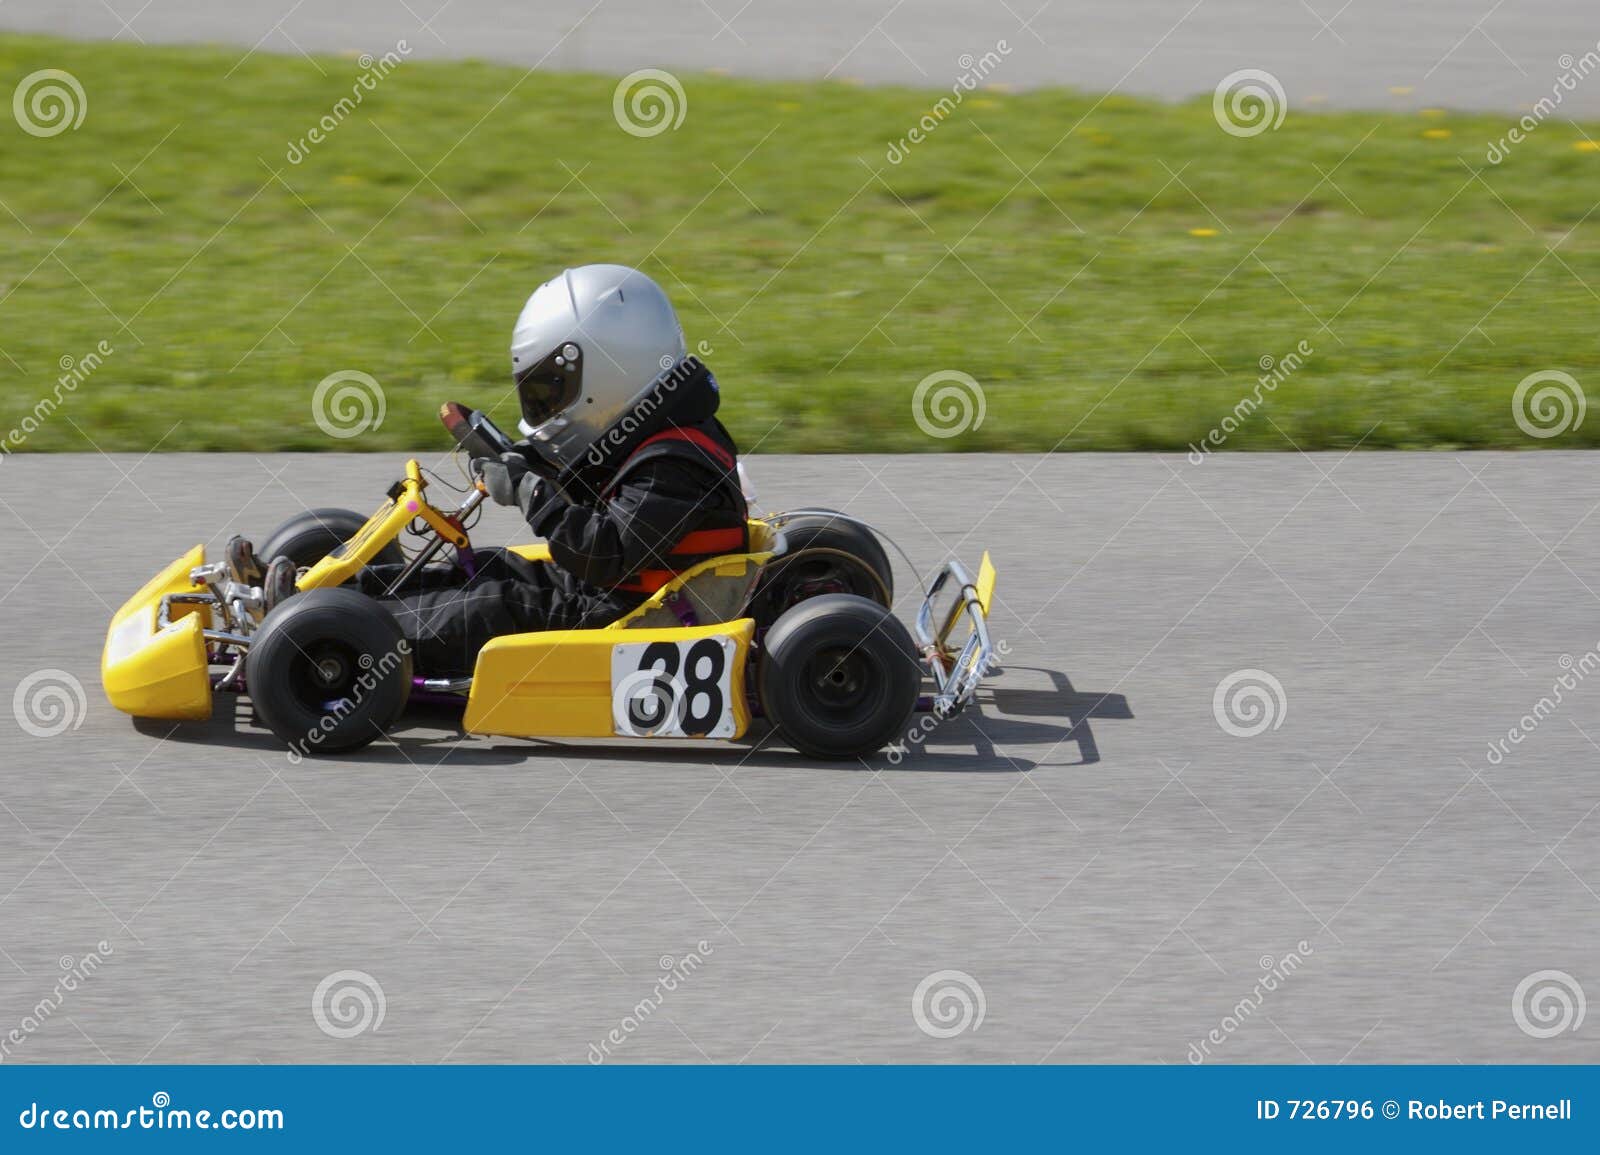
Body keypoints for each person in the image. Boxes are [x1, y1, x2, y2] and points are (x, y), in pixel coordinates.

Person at [238, 264, 748, 676]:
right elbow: (602, 493)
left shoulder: (675, 464)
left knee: (489, 604)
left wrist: (530, 491)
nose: (545, 405)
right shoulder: (655, 431)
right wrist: (531, 465)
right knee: (485, 568)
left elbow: (606, 551)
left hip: (630, 614)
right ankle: (325, 595)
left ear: (610, 369)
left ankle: (324, 632)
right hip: (606, 592)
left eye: (552, 389)